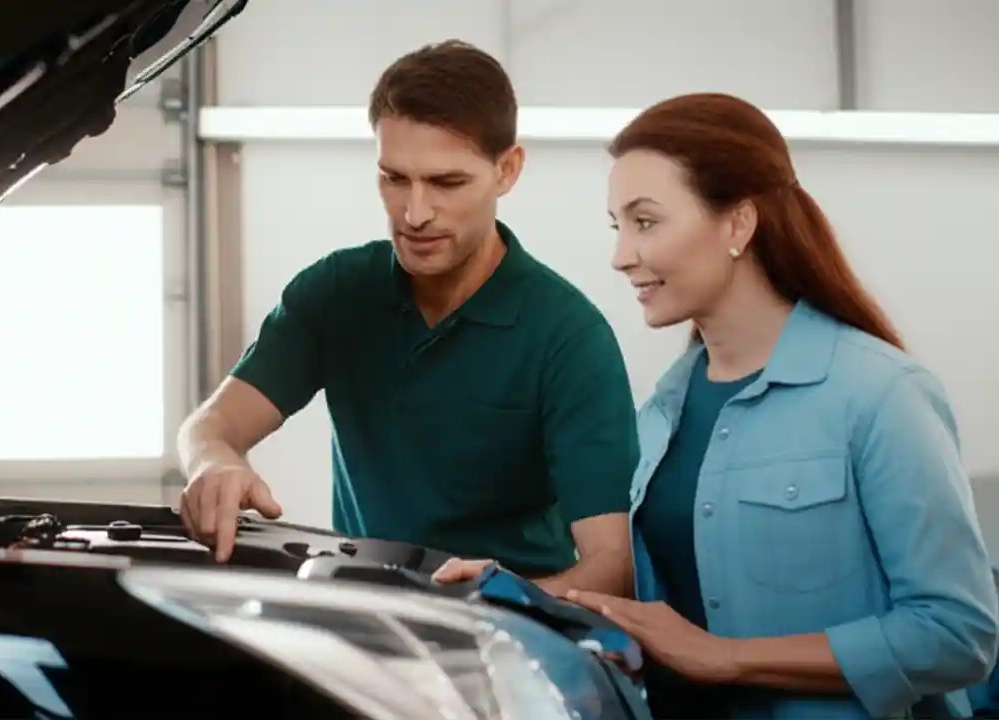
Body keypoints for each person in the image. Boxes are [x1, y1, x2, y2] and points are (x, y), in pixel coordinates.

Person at [557, 92, 999, 719]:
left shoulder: (881, 394)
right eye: (617, 226)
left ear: (738, 224)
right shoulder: (661, 412)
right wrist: (506, 595)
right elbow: (666, 599)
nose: (621, 255)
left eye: (646, 222)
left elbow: (957, 634)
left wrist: (730, 658)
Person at [175, 40, 639, 596]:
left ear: (507, 170)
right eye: (394, 179)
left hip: (511, 628)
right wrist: (212, 463)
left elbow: (614, 565)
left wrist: (508, 593)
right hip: (367, 614)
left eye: (446, 183)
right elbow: (210, 426)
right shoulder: (335, 293)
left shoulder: (570, 337)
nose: (415, 214)